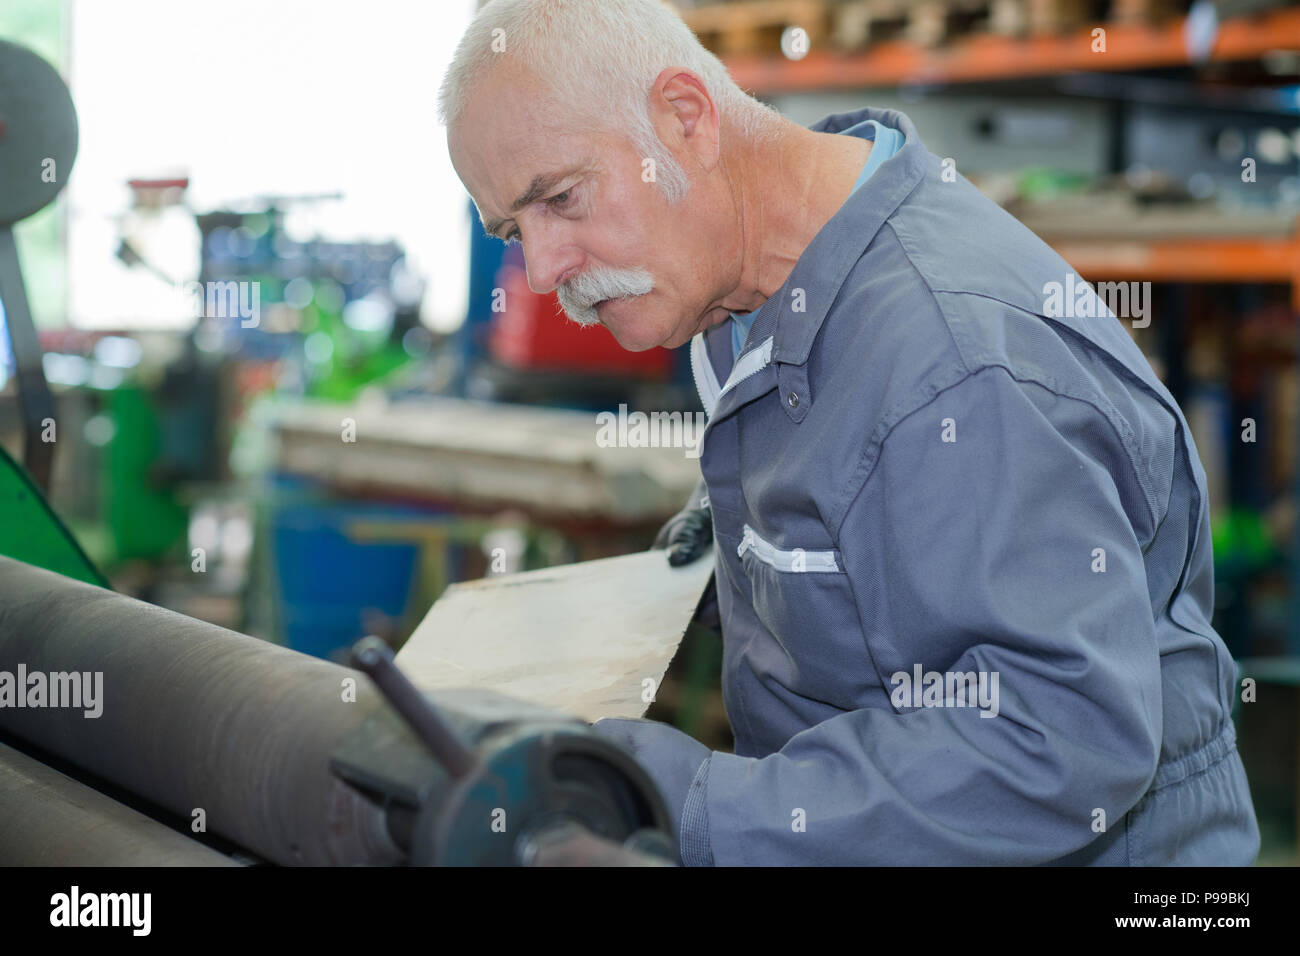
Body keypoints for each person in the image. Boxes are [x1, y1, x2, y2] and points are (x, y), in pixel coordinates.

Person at [439, 0, 1260, 865]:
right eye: (513, 230)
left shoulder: (955, 363)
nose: (542, 269)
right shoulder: (745, 283)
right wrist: (740, 547)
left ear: (685, 120)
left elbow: (1053, 743)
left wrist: (687, 804)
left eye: (560, 199)